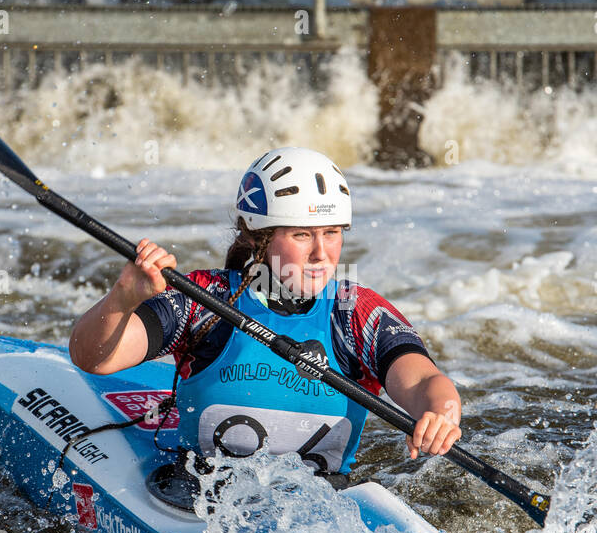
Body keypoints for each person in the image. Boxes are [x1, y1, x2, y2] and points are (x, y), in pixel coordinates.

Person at [69, 147, 461, 479]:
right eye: (302, 234)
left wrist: (438, 415)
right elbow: (95, 358)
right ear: (258, 237)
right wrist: (122, 299)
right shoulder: (205, 299)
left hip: (322, 514)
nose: (321, 254)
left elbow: (424, 379)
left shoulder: (355, 312)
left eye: (332, 232)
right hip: (199, 502)